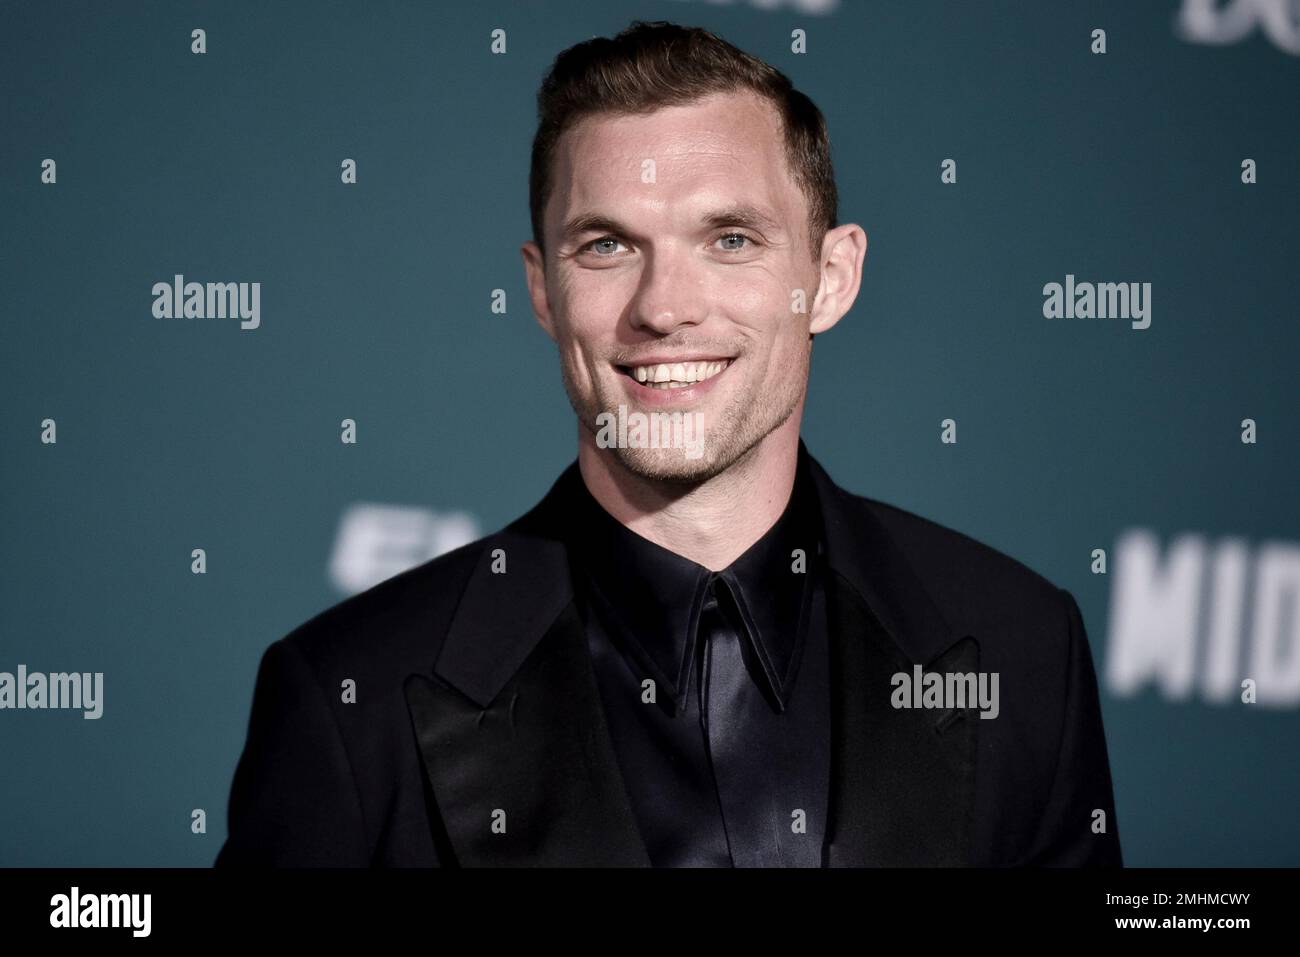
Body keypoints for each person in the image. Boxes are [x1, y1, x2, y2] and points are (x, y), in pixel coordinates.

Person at [215, 20, 1121, 867]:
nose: (664, 307)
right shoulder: (350, 698)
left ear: (832, 277)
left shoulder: (1021, 647)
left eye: (730, 239)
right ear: (542, 290)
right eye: (606, 245)